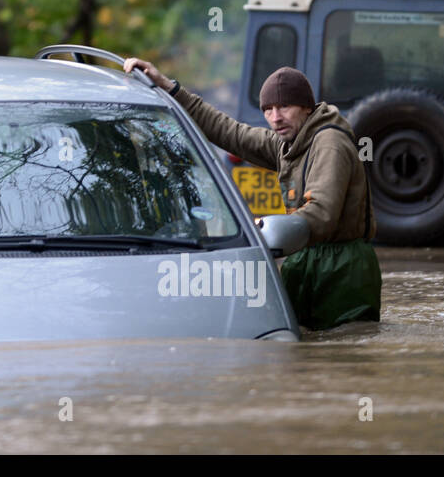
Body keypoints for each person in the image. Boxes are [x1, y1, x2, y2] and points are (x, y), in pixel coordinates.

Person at [123, 59, 381, 329]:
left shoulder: (330, 144)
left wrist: (260, 231)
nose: (275, 117)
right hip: (303, 255)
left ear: (307, 107)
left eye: (284, 107)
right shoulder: (289, 143)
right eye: (268, 109)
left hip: (342, 267)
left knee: (345, 348)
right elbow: (229, 131)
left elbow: (322, 214)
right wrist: (169, 87)